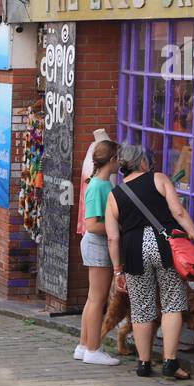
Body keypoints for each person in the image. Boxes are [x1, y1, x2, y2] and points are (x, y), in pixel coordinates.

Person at [105, 144, 194, 380]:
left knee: (141, 306)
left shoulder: (114, 195)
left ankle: (143, 363)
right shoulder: (159, 179)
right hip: (164, 245)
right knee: (173, 302)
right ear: (142, 162)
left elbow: (113, 237)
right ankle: (170, 363)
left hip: (133, 250)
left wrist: (116, 270)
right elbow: (179, 213)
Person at [75, 139, 121, 366]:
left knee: (93, 298)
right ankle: (93, 349)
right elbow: (92, 224)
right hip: (97, 245)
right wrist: (118, 228)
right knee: (98, 300)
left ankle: (84, 345)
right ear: (111, 160)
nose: (120, 163)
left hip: (94, 244)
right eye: (118, 158)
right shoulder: (100, 186)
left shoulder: (97, 183)